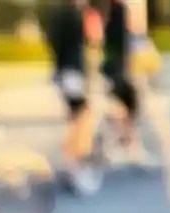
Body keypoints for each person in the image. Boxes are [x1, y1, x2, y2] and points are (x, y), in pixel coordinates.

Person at [47, 0, 103, 195]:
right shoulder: (78, 14)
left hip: (63, 71)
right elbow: (93, 38)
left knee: (77, 118)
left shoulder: (58, 13)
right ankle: (75, 167)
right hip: (73, 73)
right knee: (83, 119)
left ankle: (73, 165)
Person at [101, 0, 143, 161]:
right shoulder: (119, 11)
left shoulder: (109, 11)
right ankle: (125, 142)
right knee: (127, 103)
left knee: (124, 104)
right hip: (117, 67)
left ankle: (126, 142)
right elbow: (125, 40)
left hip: (112, 67)